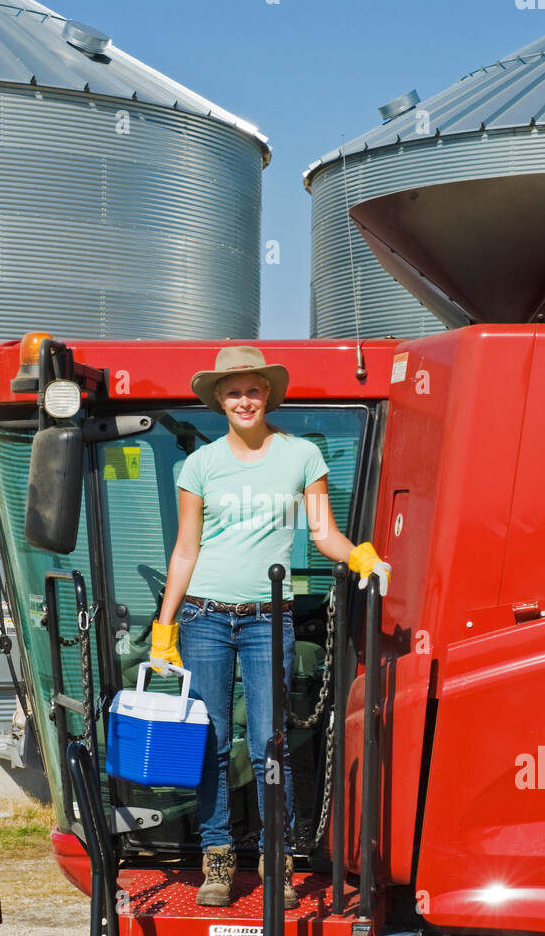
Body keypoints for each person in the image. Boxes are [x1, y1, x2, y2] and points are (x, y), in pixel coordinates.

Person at [149, 346, 391, 907]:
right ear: (218, 401)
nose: (243, 400)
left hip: (268, 619)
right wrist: (165, 628)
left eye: (253, 390)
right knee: (209, 740)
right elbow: (186, 550)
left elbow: (323, 531)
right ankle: (216, 860)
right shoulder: (200, 465)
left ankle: (275, 859)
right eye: (233, 392)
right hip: (205, 616)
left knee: (269, 744)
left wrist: (361, 559)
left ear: (268, 396)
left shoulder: (302, 457)